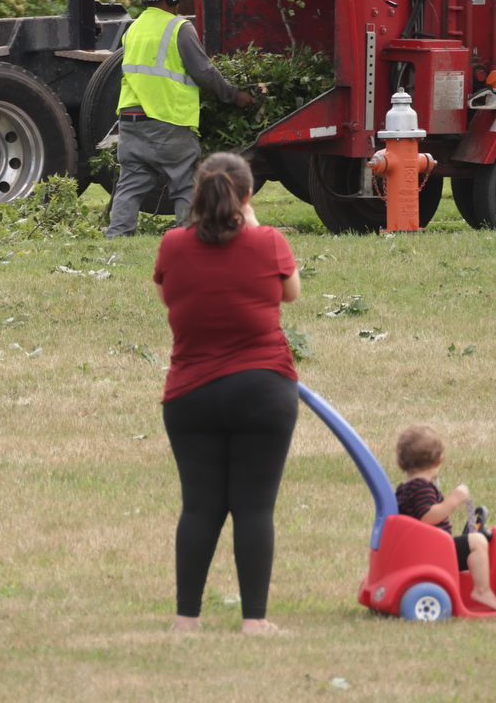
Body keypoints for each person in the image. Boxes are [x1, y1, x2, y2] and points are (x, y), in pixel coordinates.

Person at [154, 152, 301, 636]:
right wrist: (252, 222)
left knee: (200, 506)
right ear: (247, 195)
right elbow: (291, 293)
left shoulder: (172, 246)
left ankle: (185, 619)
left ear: (197, 192)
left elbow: (169, 295)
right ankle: (254, 622)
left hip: (190, 394)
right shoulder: (269, 242)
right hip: (263, 389)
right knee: (253, 508)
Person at [104, 0, 254, 238]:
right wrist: (233, 95)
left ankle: (117, 237)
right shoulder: (179, 28)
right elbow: (204, 73)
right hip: (168, 119)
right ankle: (189, 237)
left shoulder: (132, 30)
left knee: (131, 183)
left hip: (130, 121)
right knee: (185, 183)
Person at [393, 424, 496, 610]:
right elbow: (427, 516)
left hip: (419, 550)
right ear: (439, 458)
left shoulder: (404, 487)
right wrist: (454, 499)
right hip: (432, 553)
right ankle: (481, 591)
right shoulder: (421, 487)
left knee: (472, 538)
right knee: (477, 542)